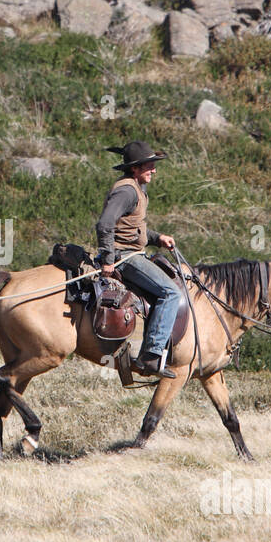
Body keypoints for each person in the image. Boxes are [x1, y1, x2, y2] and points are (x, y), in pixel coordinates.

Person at [95, 140, 188, 379]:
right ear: (135, 169)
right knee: (170, 292)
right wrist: (108, 259)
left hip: (131, 251)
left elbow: (131, 227)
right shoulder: (127, 190)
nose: (154, 170)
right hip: (123, 257)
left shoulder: (137, 188)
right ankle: (152, 354)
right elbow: (105, 224)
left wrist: (157, 238)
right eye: (149, 165)